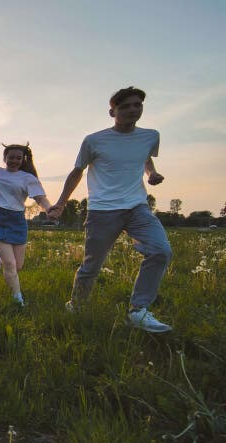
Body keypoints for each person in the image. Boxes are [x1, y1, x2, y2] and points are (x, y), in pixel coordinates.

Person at [48, 86, 172, 333]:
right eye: (125, 106)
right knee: (91, 266)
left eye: (137, 105)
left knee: (161, 251)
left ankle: (138, 311)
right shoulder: (94, 140)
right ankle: (77, 305)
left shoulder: (150, 136)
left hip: (137, 207)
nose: (132, 110)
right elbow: (77, 172)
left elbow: (145, 158)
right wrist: (60, 204)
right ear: (112, 111)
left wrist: (152, 173)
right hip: (102, 210)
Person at [0, 143, 52, 306]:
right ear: (5, 158)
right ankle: (18, 300)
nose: (14, 161)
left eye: (18, 158)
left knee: (18, 266)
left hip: (17, 220)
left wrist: (50, 209)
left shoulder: (28, 178)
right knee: (10, 264)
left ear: (23, 160)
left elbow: (40, 198)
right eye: (11, 157)